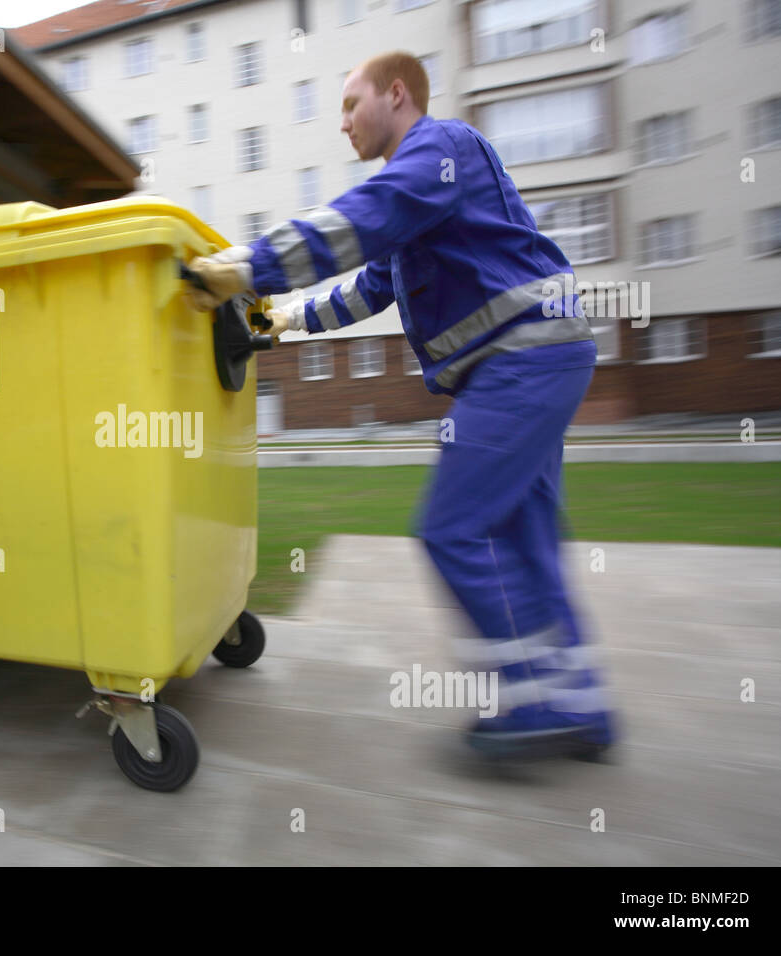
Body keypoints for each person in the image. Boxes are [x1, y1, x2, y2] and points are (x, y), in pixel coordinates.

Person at [186, 51, 617, 761]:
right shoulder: (425, 203)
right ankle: (580, 705)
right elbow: (369, 287)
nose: (345, 123)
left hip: (521, 359)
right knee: (526, 536)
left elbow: (366, 217)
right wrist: (281, 320)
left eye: (352, 105)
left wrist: (241, 268)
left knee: (455, 528)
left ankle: (530, 700)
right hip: (541, 357)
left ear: (396, 94)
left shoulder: (439, 150)